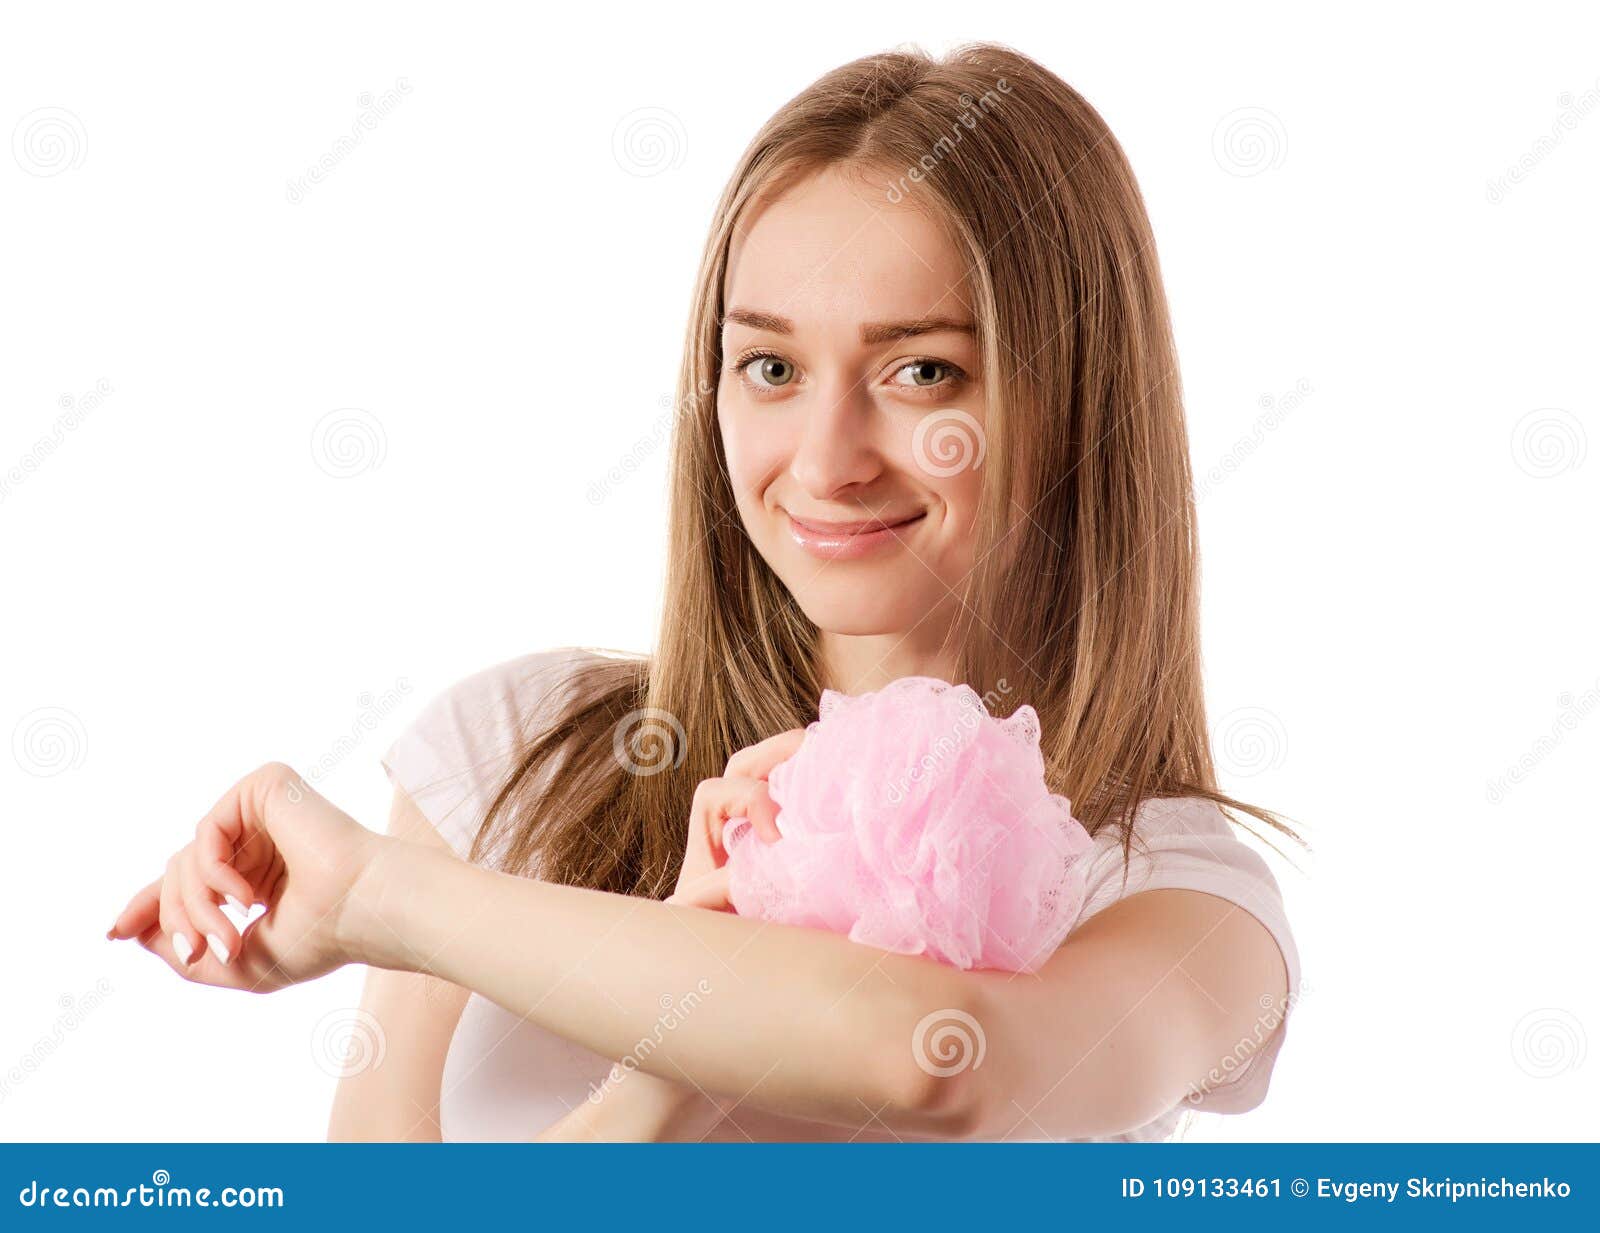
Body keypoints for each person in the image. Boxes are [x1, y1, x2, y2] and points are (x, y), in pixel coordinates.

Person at [107, 41, 1305, 1143]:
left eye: (922, 370)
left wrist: (379, 894)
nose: (827, 460)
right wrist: (665, 1064)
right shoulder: (518, 753)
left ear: (1080, 398)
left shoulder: (1178, 894)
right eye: (770, 366)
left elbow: (943, 1064)